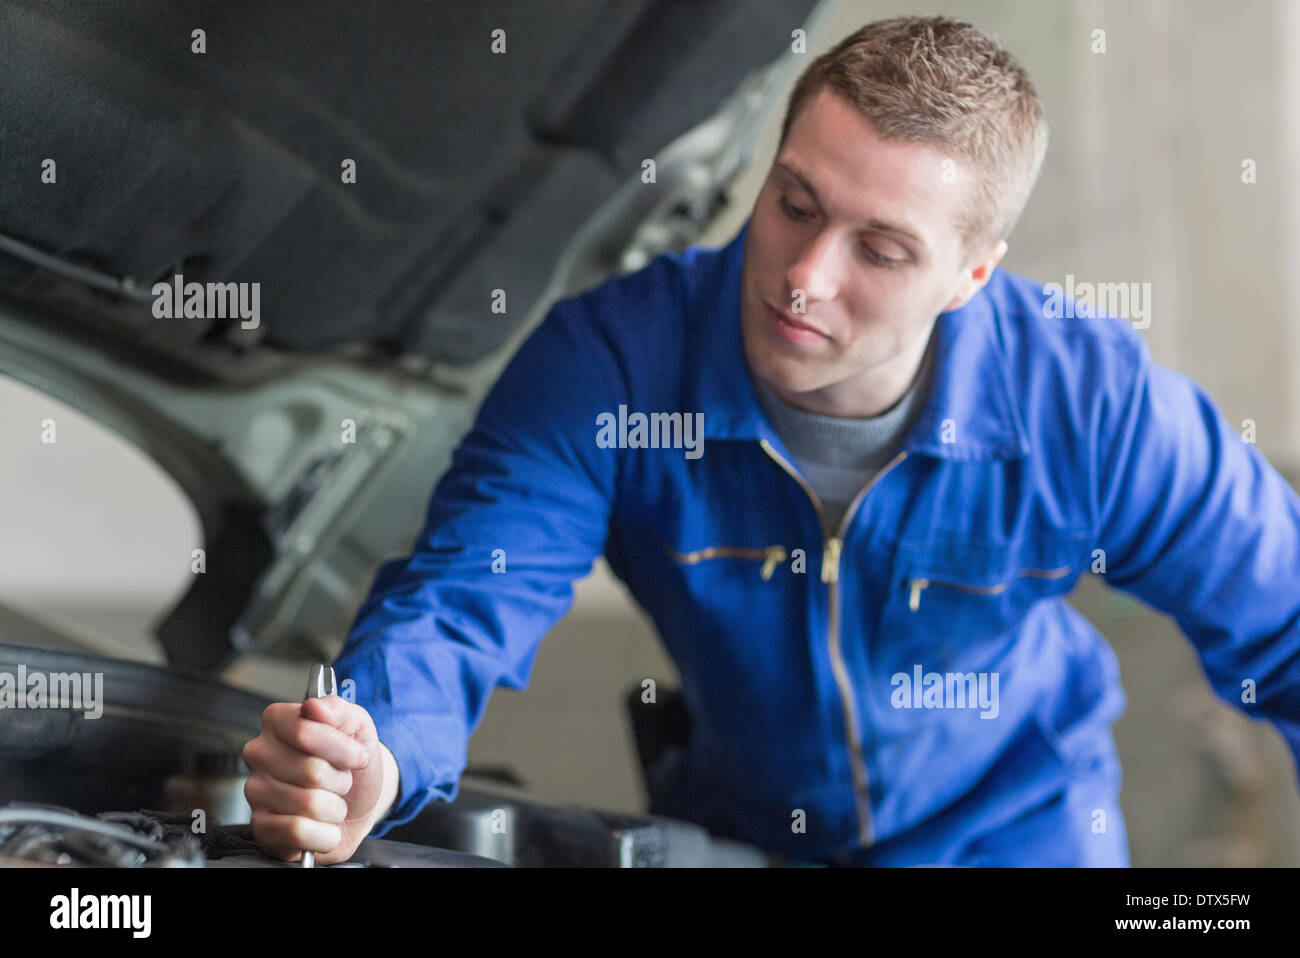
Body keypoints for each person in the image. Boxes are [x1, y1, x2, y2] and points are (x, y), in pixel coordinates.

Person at [241, 15, 1300, 867]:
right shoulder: (611, 365)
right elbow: (467, 599)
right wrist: (374, 748)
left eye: (880, 250)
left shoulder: (1088, 407)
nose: (804, 276)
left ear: (970, 275)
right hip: (745, 826)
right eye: (794, 204)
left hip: (1020, 829)